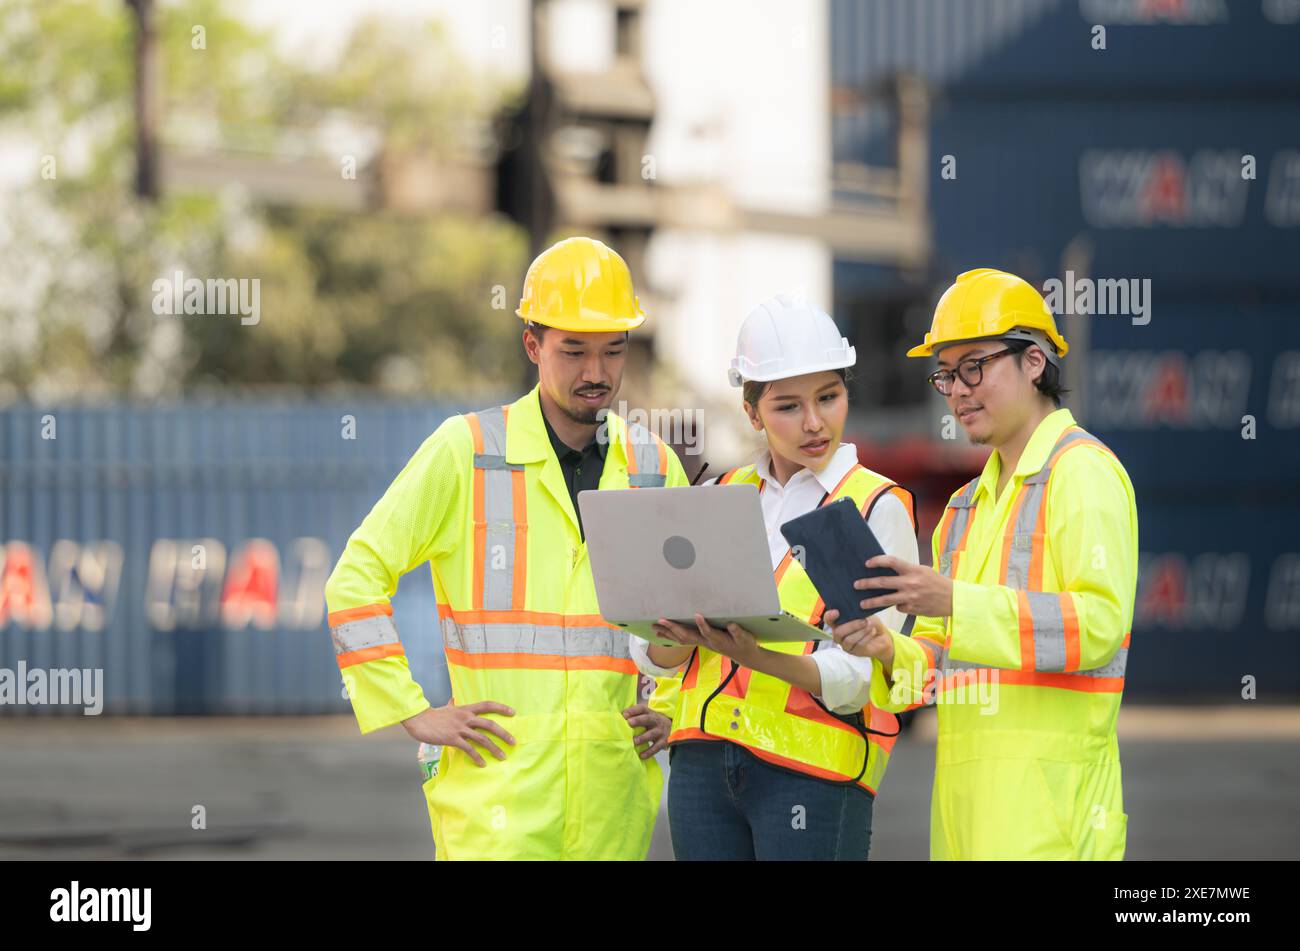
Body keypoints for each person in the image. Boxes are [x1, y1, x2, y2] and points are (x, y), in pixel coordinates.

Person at [323, 236, 689, 860]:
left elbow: (689, 614)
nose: (596, 373)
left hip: (612, 799)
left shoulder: (654, 465)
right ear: (532, 345)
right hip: (497, 801)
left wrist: (673, 710)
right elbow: (355, 578)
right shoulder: (465, 451)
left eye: (613, 350)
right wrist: (412, 712)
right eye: (573, 351)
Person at [828, 268, 1138, 860]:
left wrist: (954, 600)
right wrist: (886, 650)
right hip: (965, 814)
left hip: (1053, 817)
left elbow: (1098, 627)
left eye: (976, 365)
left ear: (1035, 361)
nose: (958, 389)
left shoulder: (1083, 473)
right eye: (946, 372)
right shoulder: (966, 507)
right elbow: (943, 665)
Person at [632, 295, 919, 860]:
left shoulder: (874, 506)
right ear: (752, 413)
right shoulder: (720, 496)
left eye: (829, 397)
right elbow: (653, 656)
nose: (815, 423)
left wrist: (758, 657)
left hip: (813, 775)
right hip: (702, 766)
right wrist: (671, 632)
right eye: (788, 406)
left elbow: (866, 675)